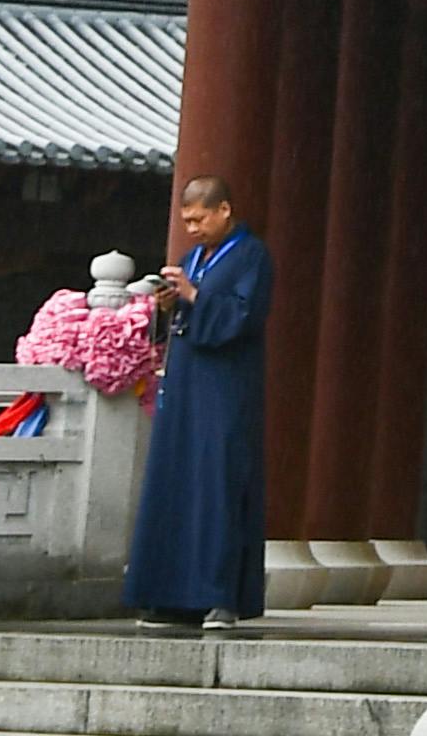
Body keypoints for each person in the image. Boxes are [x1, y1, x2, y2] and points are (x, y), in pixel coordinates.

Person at [122, 175, 269, 628]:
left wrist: (193, 295)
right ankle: (169, 595)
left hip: (225, 386)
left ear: (224, 210)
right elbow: (187, 314)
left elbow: (245, 316)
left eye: (199, 218)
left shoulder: (252, 256)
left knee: (218, 481)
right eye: (186, 220)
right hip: (185, 382)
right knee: (176, 479)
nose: (192, 228)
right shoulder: (193, 257)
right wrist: (171, 306)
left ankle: (219, 596)